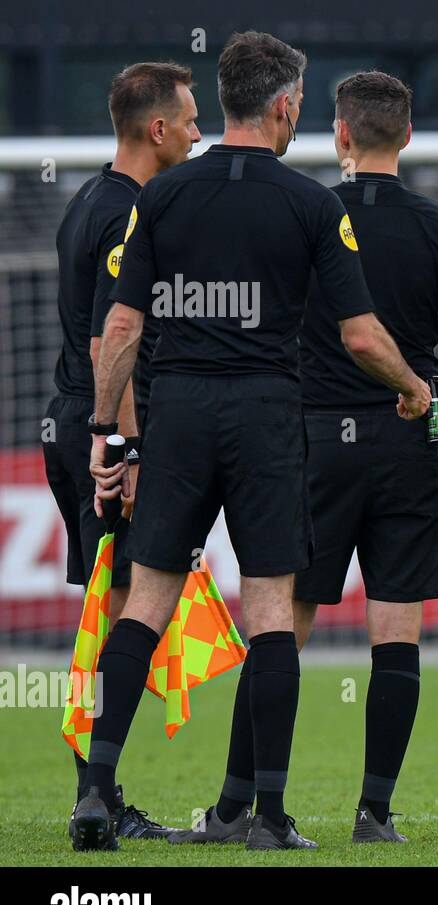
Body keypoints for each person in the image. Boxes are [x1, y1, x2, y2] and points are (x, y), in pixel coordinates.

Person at [74, 31, 430, 852]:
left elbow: (122, 326)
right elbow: (362, 337)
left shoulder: (158, 200)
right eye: (298, 104)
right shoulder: (312, 204)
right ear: (281, 106)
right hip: (268, 417)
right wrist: (413, 388)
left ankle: (96, 790)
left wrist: (106, 431)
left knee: (147, 604)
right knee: (270, 611)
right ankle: (268, 817)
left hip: (181, 417)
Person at [201, 69, 438, 845]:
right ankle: (375, 814)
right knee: (396, 630)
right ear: (407, 134)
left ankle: (237, 807)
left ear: (338, 135)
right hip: (411, 439)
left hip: (313, 441)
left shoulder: (302, 211)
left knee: (278, 627)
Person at [45, 61, 199, 847]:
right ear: (158, 128)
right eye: (192, 118)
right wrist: (127, 446)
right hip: (105, 433)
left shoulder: (88, 199)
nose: (201, 132)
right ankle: (95, 797)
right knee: (125, 613)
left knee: (110, 612)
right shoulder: (130, 213)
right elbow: (117, 339)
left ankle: (96, 791)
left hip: (74, 424)